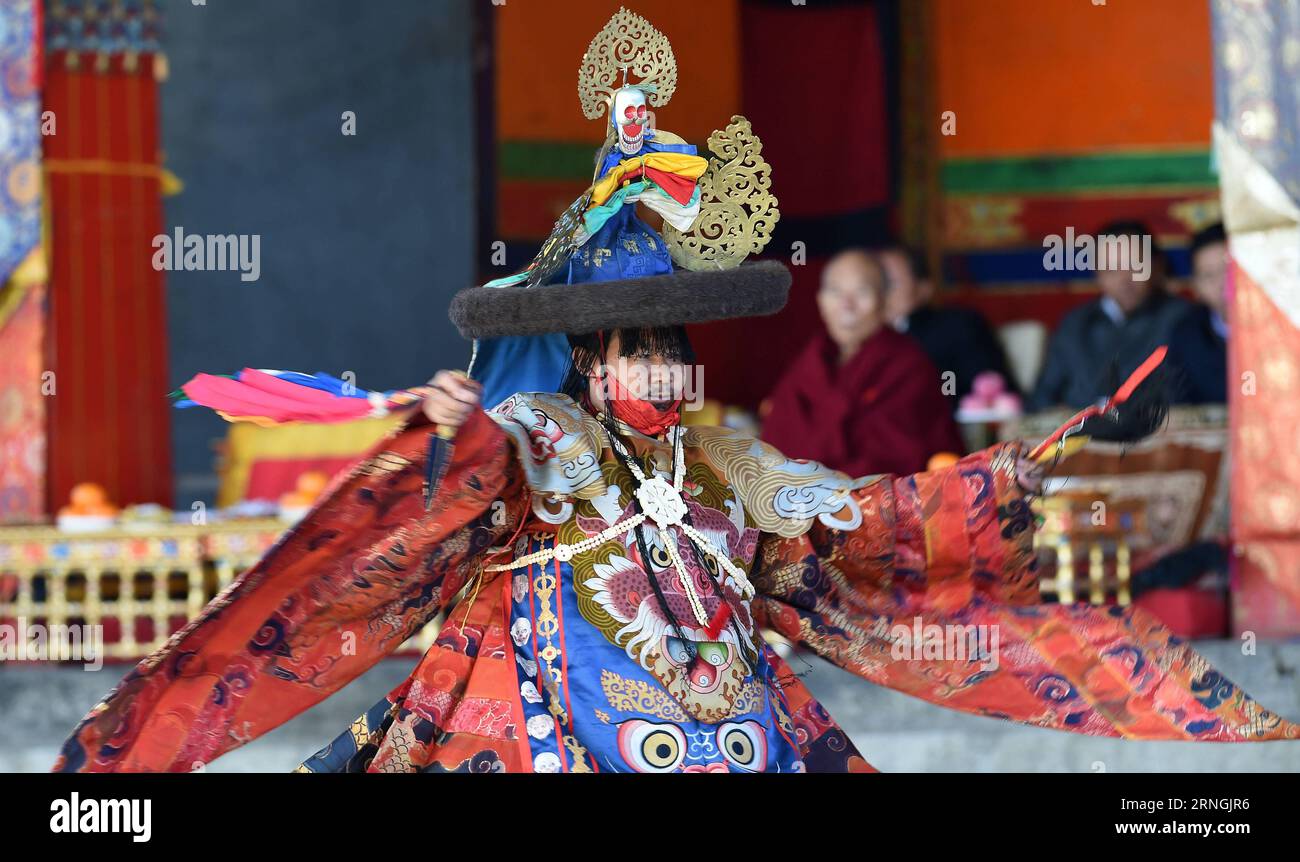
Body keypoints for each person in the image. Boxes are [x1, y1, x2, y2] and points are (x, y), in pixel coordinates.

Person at [55, 11, 1297, 774]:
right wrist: (453, 427)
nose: (662, 372)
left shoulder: (718, 463)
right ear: (593, 363)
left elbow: (854, 518)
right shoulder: (537, 435)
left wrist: (1004, 474)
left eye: (673, 351)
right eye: (638, 353)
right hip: (538, 703)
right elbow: (456, 486)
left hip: (730, 710)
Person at [761, 249, 963, 476]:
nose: (846, 305)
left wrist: (827, 488)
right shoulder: (807, 365)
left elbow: (900, 460)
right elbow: (773, 451)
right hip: (798, 495)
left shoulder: (908, 366)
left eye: (862, 292)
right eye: (835, 292)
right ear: (820, 301)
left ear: (885, 301)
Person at [1029, 220, 1189, 410]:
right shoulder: (1074, 323)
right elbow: (1042, 397)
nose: (1124, 279)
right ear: (1097, 272)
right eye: (1112, 269)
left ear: (1157, 265)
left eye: (1134, 266)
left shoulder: (1181, 318)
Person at [879, 246, 1017, 402]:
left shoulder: (957, 326)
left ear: (924, 289)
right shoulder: (861, 337)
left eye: (890, 283)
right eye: (873, 283)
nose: (880, 293)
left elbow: (986, 393)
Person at [1165, 222, 1228, 404]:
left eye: (1228, 269)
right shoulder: (1186, 335)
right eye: (1209, 276)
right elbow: (1180, 402)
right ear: (1196, 288)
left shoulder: (1287, 325)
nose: (1222, 283)